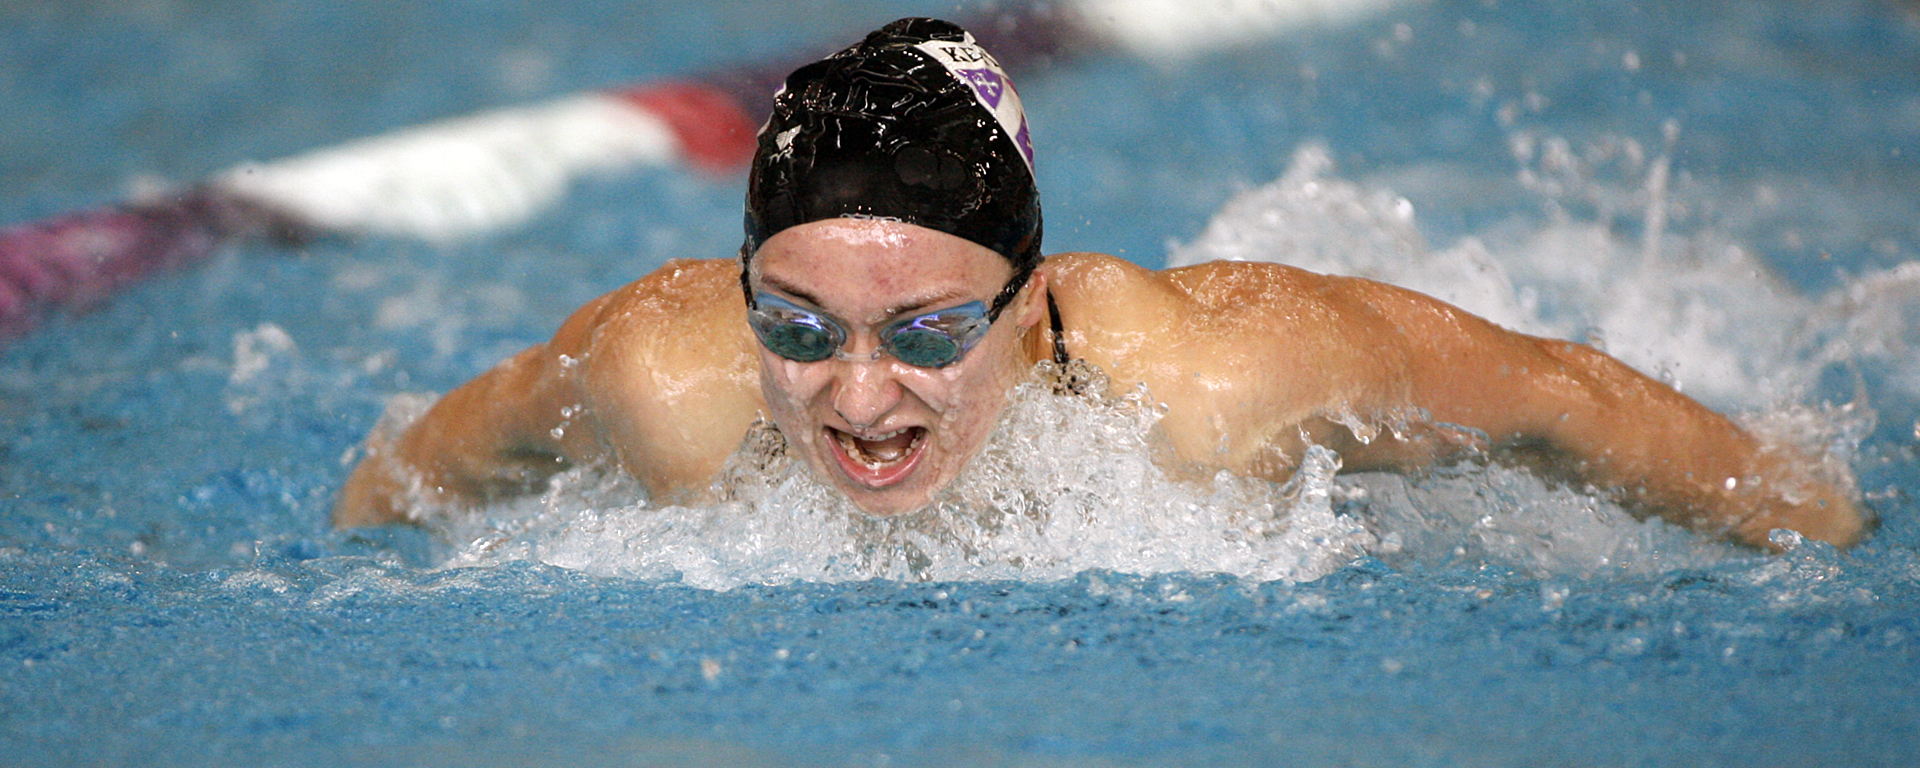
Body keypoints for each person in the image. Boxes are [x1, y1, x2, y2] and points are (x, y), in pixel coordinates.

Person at [331, 18, 1866, 550]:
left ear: (1032, 302)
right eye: (797, 327)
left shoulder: (1222, 390)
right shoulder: (671, 383)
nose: (859, 398)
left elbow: (1557, 396)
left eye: (929, 330)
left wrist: (1821, 526)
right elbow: (422, 467)